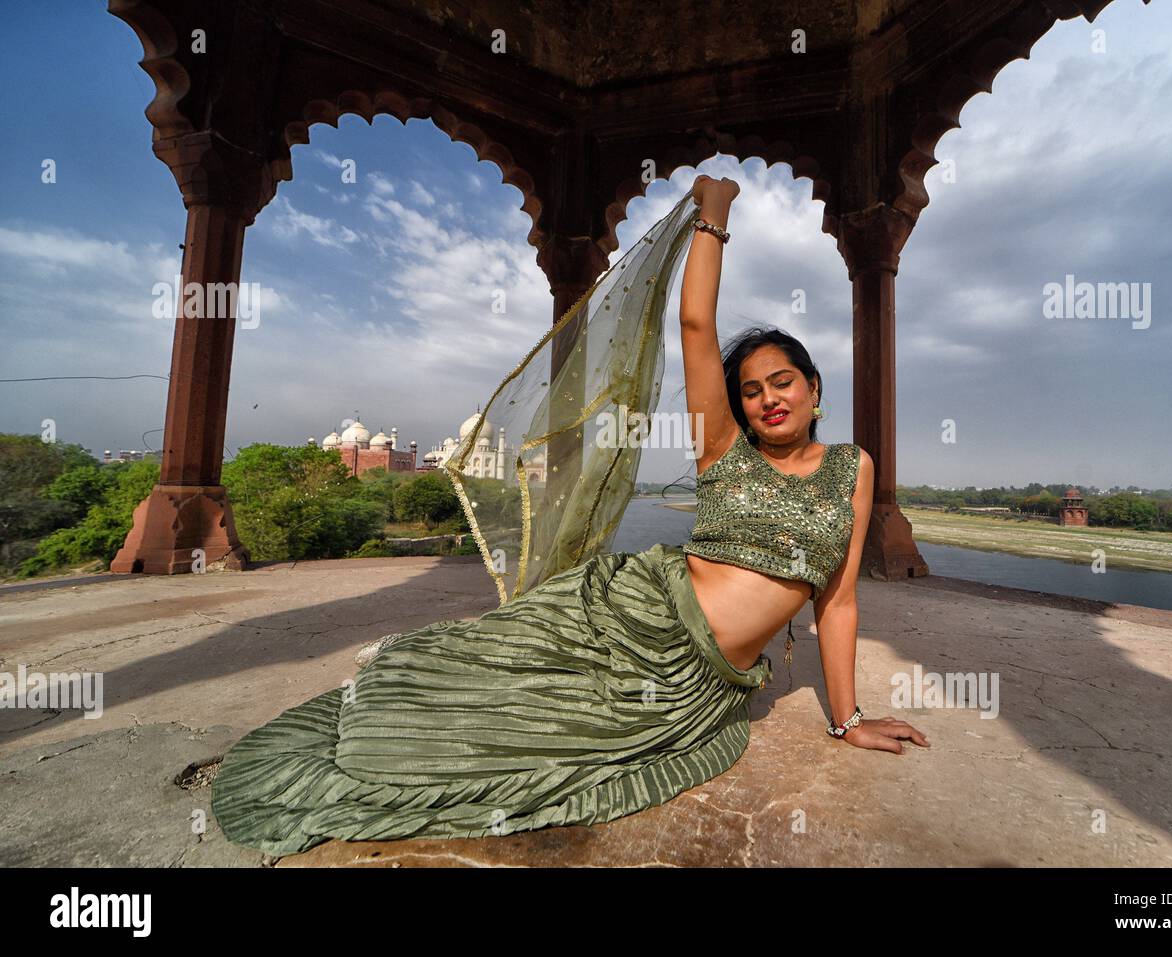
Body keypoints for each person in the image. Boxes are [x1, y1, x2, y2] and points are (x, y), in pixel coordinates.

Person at [210, 174, 928, 857]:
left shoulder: (852, 468)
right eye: (751, 390)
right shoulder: (724, 450)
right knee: (486, 670)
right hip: (635, 611)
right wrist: (714, 209)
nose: (769, 397)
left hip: (692, 684)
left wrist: (849, 718)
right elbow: (694, 323)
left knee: (530, 741)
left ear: (812, 387)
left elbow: (837, 600)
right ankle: (406, 667)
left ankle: (410, 679)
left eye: (783, 382)